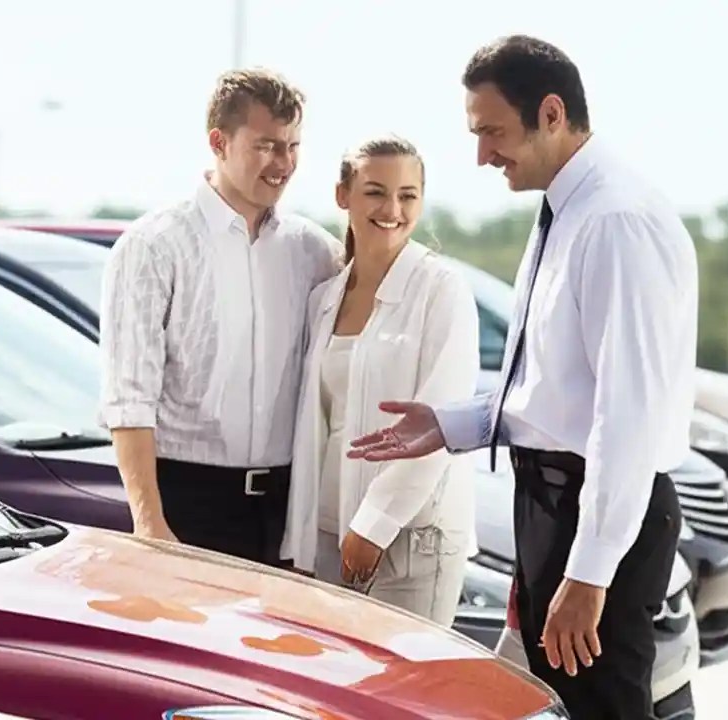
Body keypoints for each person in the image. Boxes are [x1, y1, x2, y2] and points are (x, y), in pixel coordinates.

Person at [347, 35, 697, 719]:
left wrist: (589, 572)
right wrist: (451, 424)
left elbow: (628, 416)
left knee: (602, 710)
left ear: (553, 113)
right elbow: (555, 387)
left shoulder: (615, 221)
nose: (482, 156)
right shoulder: (567, 211)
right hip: (553, 505)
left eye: (493, 133)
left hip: (591, 516)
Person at [97, 68, 339, 566]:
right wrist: (149, 522)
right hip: (187, 502)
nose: (283, 163)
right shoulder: (153, 246)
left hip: (286, 508)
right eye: (267, 146)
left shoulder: (313, 251)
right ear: (219, 142)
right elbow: (129, 401)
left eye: (293, 146)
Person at [280, 135, 480, 626]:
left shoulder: (442, 289)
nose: (392, 208)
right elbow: (315, 429)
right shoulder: (323, 298)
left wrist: (374, 526)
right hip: (331, 533)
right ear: (342, 196)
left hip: (412, 539)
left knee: (402, 696)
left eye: (407, 195)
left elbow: (439, 424)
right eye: (375, 192)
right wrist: (304, 537)